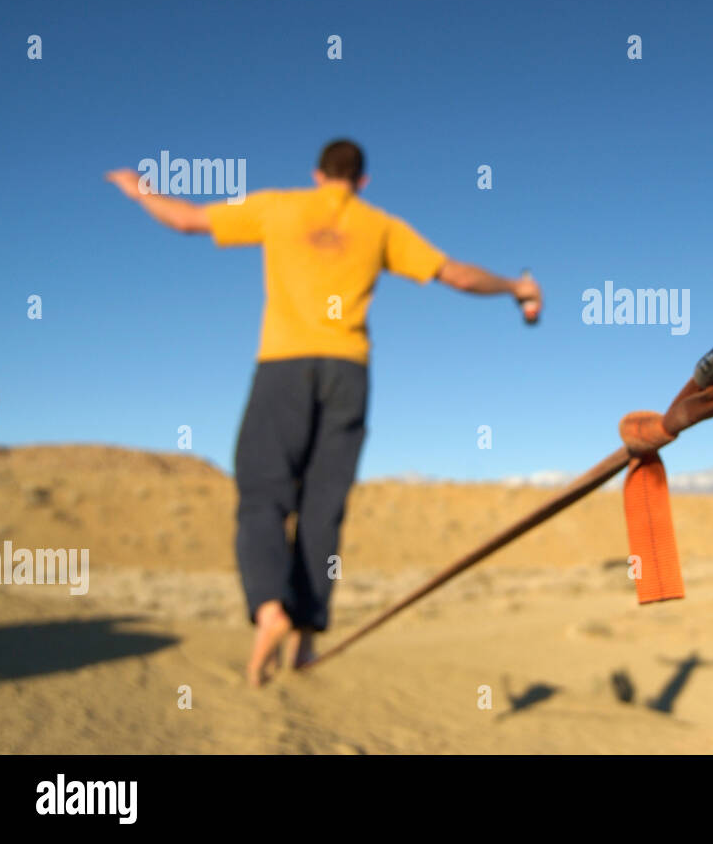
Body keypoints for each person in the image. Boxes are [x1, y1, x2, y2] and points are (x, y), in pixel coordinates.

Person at [105, 139, 541, 686]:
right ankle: (306, 636)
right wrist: (515, 287)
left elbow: (188, 220)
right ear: (363, 181)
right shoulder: (380, 224)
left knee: (263, 494)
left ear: (317, 174)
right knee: (323, 506)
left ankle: (269, 609)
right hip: (349, 372)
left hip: (284, 365)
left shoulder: (280, 207)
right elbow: (456, 275)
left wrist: (138, 188)